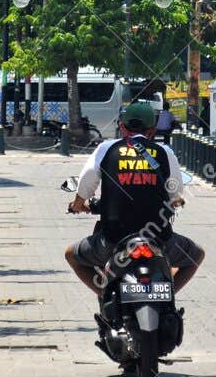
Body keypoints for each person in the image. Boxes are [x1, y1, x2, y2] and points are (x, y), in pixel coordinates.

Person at [65, 101, 204, 296]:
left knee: (71, 255)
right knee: (197, 255)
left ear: (122, 127)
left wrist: (78, 204)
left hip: (113, 239)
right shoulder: (164, 152)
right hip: (158, 238)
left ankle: (106, 296)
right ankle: (168, 295)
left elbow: (87, 180)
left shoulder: (106, 149)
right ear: (152, 130)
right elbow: (177, 196)